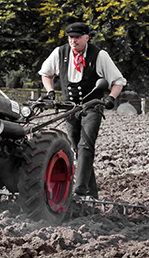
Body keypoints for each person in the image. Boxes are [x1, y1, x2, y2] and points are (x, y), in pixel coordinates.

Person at [38, 21, 126, 199]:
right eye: (71, 37)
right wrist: (50, 92)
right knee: (78, 150)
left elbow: (118, 81)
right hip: (70, 109)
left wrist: (110, 98)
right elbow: (45, 73)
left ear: (87, 37)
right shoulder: (60, 53)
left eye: (77, 37)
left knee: (85, 146)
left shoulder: (99, 55)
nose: (73, 41)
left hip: (92, 107)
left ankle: (79, 192)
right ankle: (92, 194)